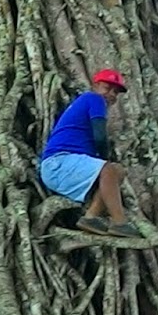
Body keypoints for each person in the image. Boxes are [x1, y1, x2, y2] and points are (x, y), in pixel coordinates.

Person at [38, 69, 143, 237]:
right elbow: (100, 137)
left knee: (118, 172)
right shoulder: (94, 99)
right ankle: (120, 222)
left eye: (116, 92)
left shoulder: (87, 101)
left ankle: (91, 217)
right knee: (108, 169)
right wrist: (104, 159)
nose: (111, 94)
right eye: (107, 88)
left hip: (61, 168)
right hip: (58, 164)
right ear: (95, 85)